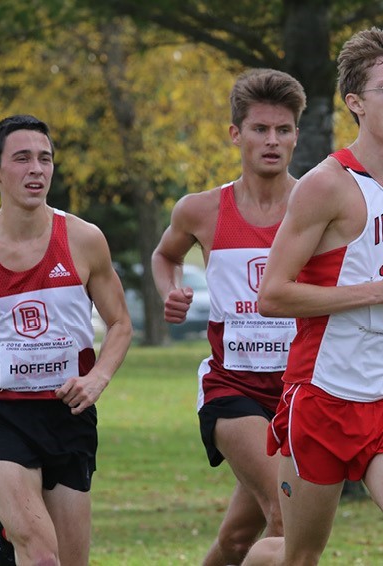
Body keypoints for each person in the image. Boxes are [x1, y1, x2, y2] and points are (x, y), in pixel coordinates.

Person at [241, 28, 383, 566]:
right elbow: (272, 295)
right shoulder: (328, 185)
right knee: (300, 557)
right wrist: (375, 292)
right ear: (356, 103)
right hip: (325, 397)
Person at [0, 114, 134, 565]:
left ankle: (7, 539)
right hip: (0, 416)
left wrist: (98, 378)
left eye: (45, 158)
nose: (37, 169)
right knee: (41, 557)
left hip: (67, 413)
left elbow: (120, 324)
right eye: (22, 159)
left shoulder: (84, 240)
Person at [150, 68, 306, 566]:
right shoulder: (202, 211)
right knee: (286, 518)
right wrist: (171, 290)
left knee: (240, 540)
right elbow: (164, 256)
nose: (272, 141)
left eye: (283, 130)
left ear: (296, 136)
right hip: (231, 389)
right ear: (235, 134)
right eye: (260, 129)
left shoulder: (318, 208)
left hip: (301, 391)